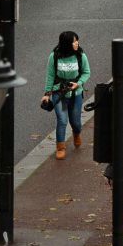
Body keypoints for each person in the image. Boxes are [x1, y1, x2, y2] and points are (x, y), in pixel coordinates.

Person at [42, 31, 91, 160]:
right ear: (67, 43)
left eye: (77, 40)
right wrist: (47, 94)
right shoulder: (54, 56)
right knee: (62, 120)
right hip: (59, 93)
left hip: (75, 94)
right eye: (74, 41)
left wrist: (78, 83)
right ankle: (60, 147)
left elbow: (86, 72)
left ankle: (76, 133)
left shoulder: (80, 55)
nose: (77, 43)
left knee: (76, 122)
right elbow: (50, 76)